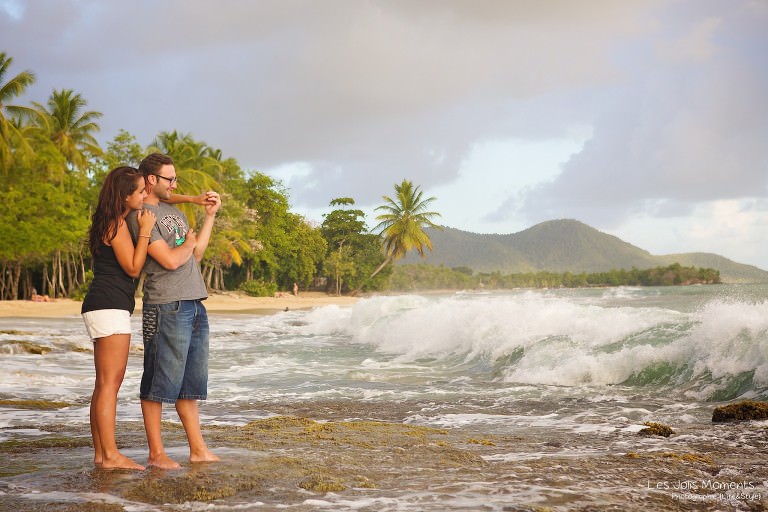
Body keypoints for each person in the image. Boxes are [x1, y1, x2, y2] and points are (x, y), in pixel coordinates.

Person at [82, 165, 213, 470]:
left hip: (109, 304)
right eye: (138, 192)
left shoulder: (113, 219)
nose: (143, 196)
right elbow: (132, 267)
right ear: (125, 195)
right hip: (109, 304)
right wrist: (145, 232)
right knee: (109, 384)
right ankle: (111, 455)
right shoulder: (118, 223)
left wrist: (195, 201)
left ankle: (103, 455)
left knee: (104, 384)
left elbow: (163, 194)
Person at [127, 153, 221, 469]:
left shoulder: (173, 210)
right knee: (158, 382)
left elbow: (197, 253)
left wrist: (208, 216)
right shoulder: (141, 215)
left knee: (190, 385)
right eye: (170, 179)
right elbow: (169, 259)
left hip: (194, 301)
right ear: (152, 179)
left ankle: (198, 449)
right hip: (166, 305)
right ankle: (156, 454)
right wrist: (188, 244)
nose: (175, 184)